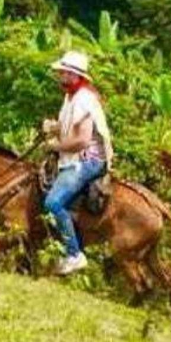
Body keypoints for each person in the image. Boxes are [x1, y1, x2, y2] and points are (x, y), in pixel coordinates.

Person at [40, 50, 114, 276]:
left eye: (63, 72)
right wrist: (53, 127)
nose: (60, 75)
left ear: (74, 75)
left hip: (88, 160)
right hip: (72, 157)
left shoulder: (83, 99)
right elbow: (66, 126)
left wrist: (55, 146)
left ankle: (74, 254)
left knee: (53, 203)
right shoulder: (70, 96)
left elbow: (82, 140)